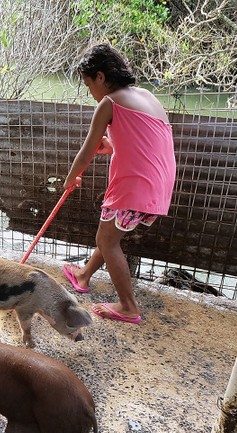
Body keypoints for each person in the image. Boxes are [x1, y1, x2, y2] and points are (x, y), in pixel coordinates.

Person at [60, 43, 176, 324]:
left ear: (100, 77)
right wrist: (113, 146)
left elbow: (86, 151)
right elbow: (147, 142)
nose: (91, 92)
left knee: (106, 239)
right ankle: (84, 275)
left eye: (89, 84)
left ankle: (128, 305)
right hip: (160, 183)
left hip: (136, 185)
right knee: (111, 236)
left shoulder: (109, 103)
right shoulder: (147, 95)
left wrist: (69, 178)